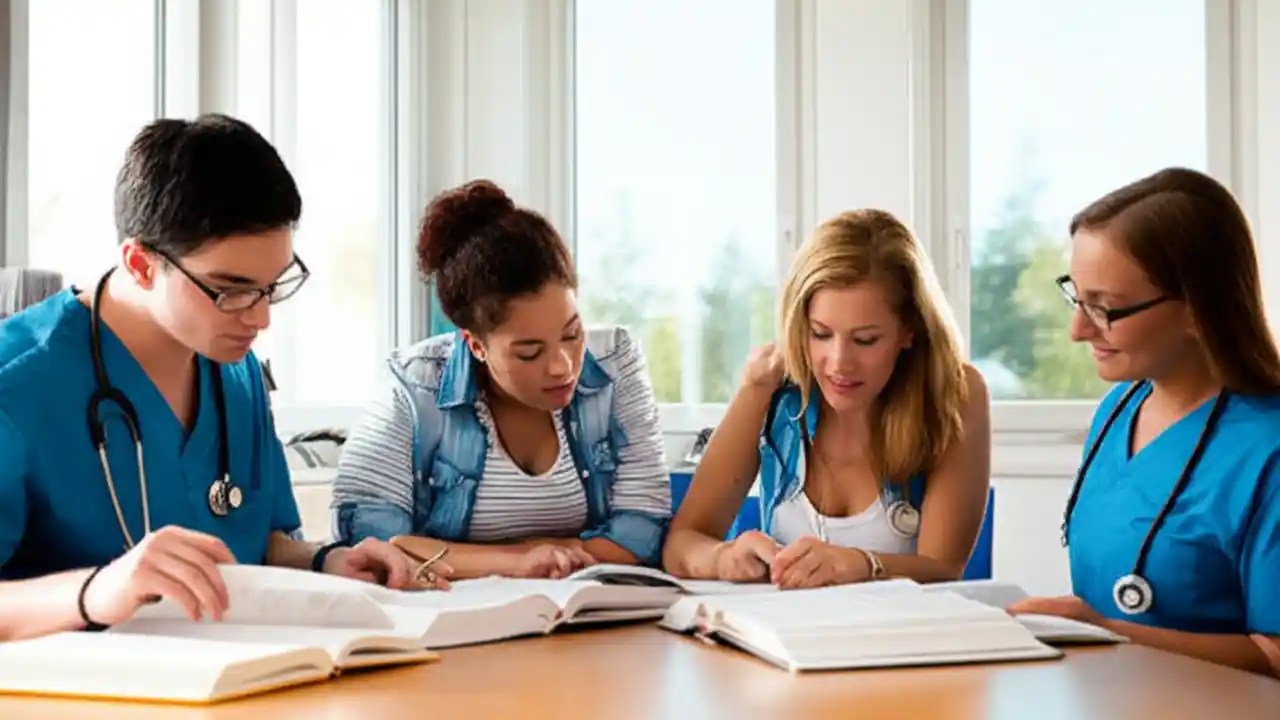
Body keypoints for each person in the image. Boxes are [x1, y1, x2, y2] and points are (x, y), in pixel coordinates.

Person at [0, 114, 433, 643]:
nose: (260, 317)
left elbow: (255, 543)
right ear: (140, 263)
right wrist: (98, 591)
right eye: (230, 289)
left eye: (272, 286)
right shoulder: (18, 384)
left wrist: (326, 560)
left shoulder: (235, 369)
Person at [1008, 168, 1280, 678]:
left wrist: (1108, 633)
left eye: (1105, 308)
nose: (1077, 329)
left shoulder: (1268, 451)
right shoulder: (1117, 411)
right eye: (1076, 297)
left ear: (1198, 308)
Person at [330, 179, 670, 578]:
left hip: (586, 617)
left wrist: (481, 556)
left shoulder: (614, 364)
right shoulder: (413, 387)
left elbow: (641, 532)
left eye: (571, 334)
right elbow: (370, 547)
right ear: (475, 345)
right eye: (530, 351)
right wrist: (519, 562)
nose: (562, 366)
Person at [663, 209, 991, 588]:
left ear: (909, 331)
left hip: (900, 639)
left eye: (865, 340)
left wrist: (861, 564)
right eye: (820, 334)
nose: (839, 364)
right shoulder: (771, 389)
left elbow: (943, 569)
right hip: (786, 639)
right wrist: (721, 557)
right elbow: (682, 544)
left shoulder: (956, 394)